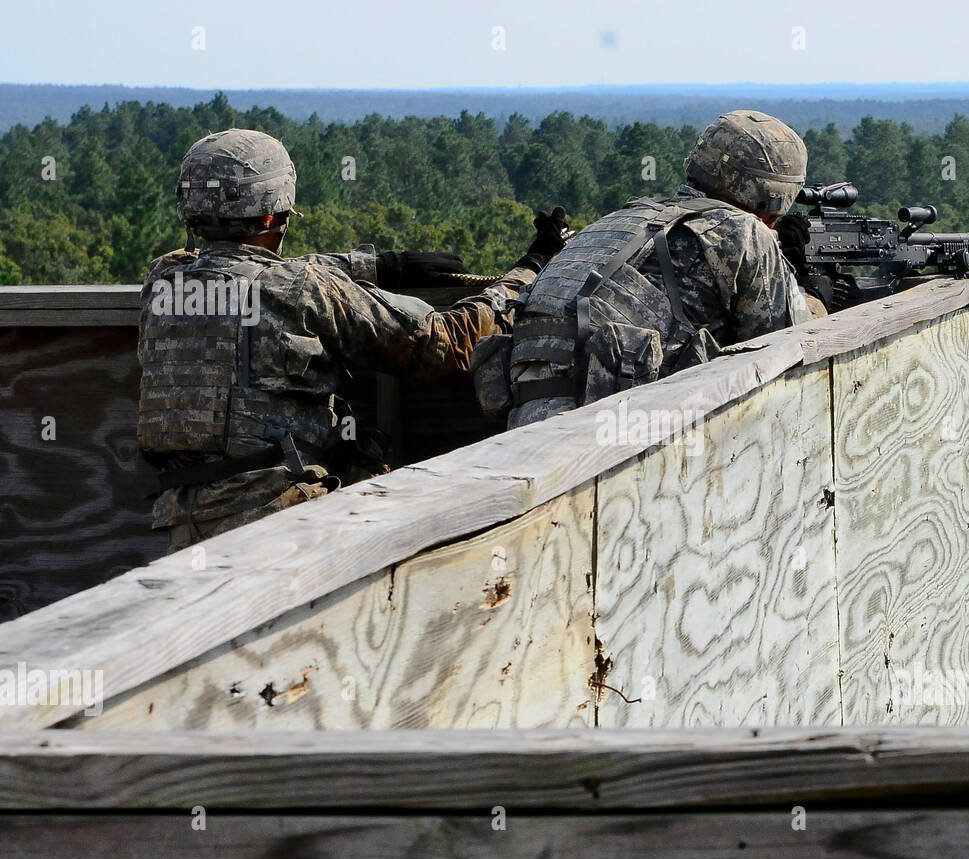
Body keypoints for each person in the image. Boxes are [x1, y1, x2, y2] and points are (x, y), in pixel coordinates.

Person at [138, 128, 566, 551]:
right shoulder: (302, 288)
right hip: (276, 526)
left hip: (183, 527)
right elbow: (446, 344)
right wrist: (527, 270)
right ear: (274, 215)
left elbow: (244, 269)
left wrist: (377, 266)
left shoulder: (162, 281)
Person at [474, 109, 822, 429]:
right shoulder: (743, 232)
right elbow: (792, 354)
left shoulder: (616, 221)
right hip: (610, 442)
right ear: (776, 197)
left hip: (522, 432)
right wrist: (810, 293)